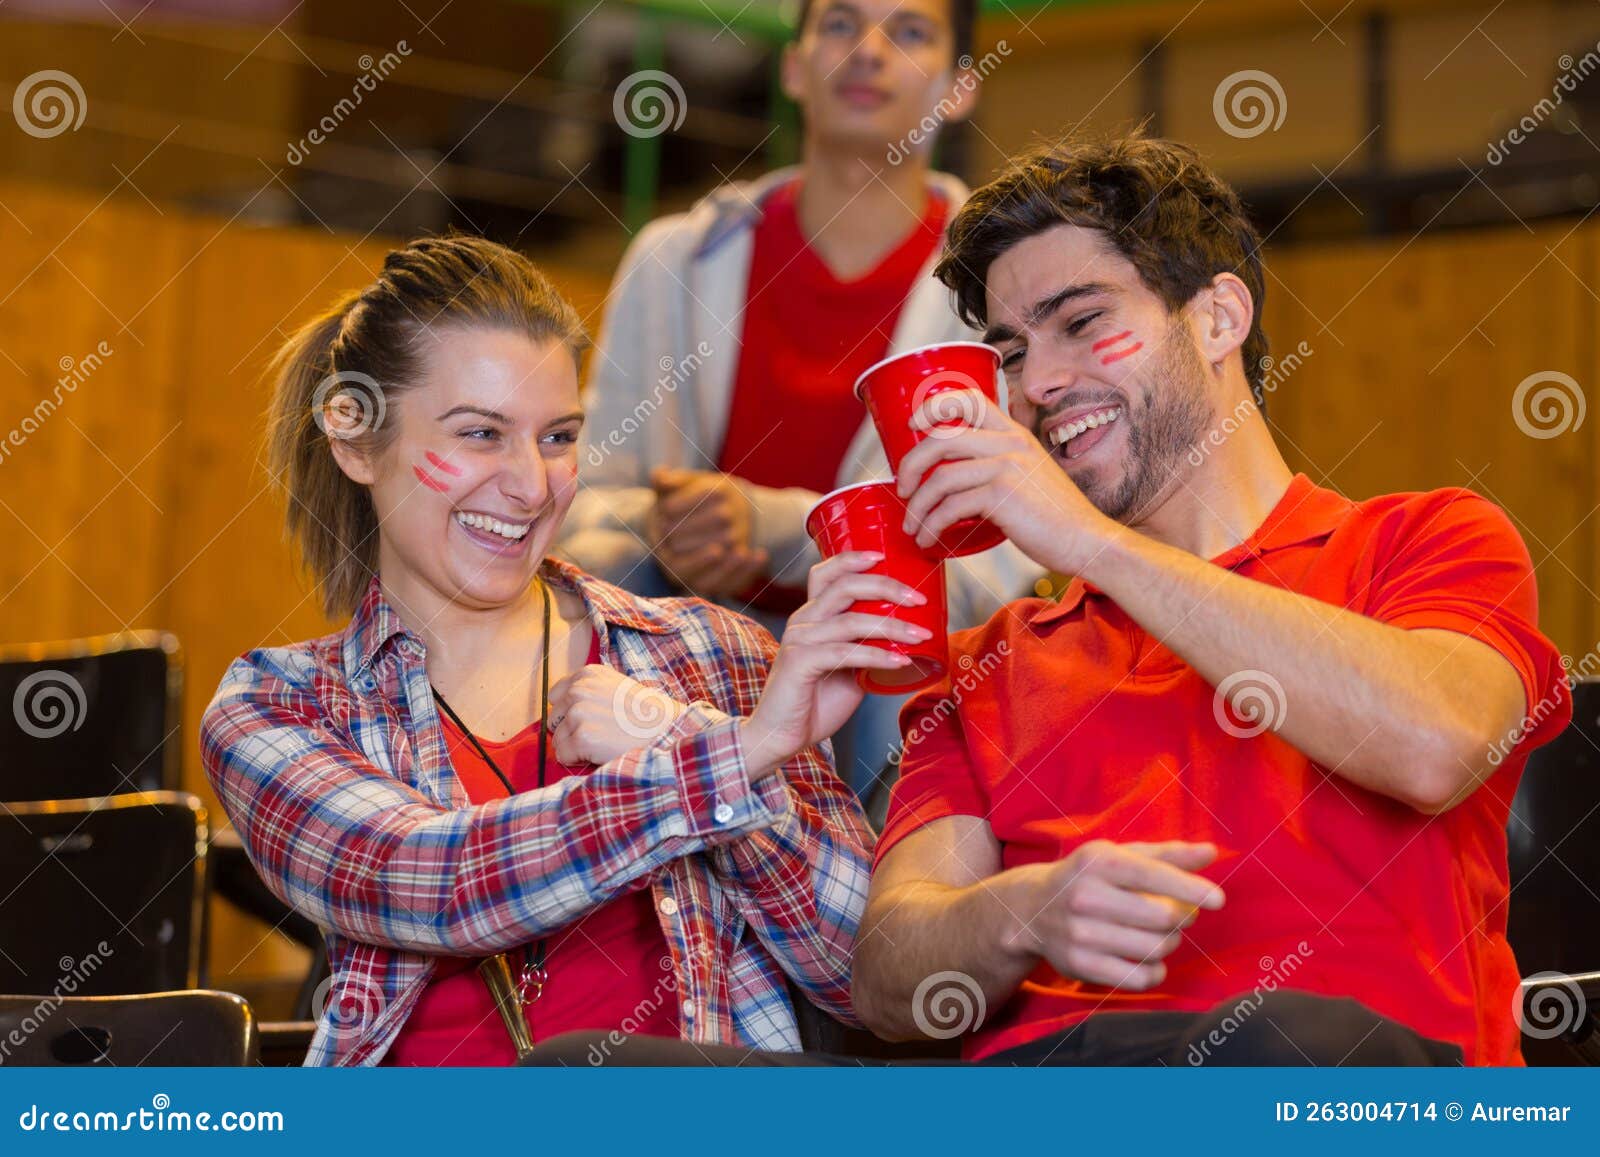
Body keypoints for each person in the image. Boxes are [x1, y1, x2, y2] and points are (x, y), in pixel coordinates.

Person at [522, 134, 1569, 1067]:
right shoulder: (993, 657)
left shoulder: (1421, 539)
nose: (1037, 384)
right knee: (583, 1080)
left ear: (1216, 316)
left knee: (1281, 1041)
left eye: (1081, 322)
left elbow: (1436, 741)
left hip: (1329, 1079)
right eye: (1014, 353)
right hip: (1039, 1094)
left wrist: (1089, 543)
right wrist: (1025, 910)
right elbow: (888, 981)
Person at [200, 234, 914, 1066]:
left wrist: (678, 732)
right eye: (480, 433)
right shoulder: (278, 706)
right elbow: (440, 884)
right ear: (357, 441)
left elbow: (859, 975)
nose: (532, 487)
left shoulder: (712, 652)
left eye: (557, 437)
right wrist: (730, 754)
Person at [559, 0, 1043, 794]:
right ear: (793, 64)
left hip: (882, 692)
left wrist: (781, 528)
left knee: (919, 663)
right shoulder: (671, 261)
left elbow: (999, 558)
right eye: (842, 25)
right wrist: (658, 524)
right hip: (680, 673)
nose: (870, 52)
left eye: (911, 32)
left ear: (961, 87)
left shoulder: (1006, 287)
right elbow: (577, 506)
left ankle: (884, 904)